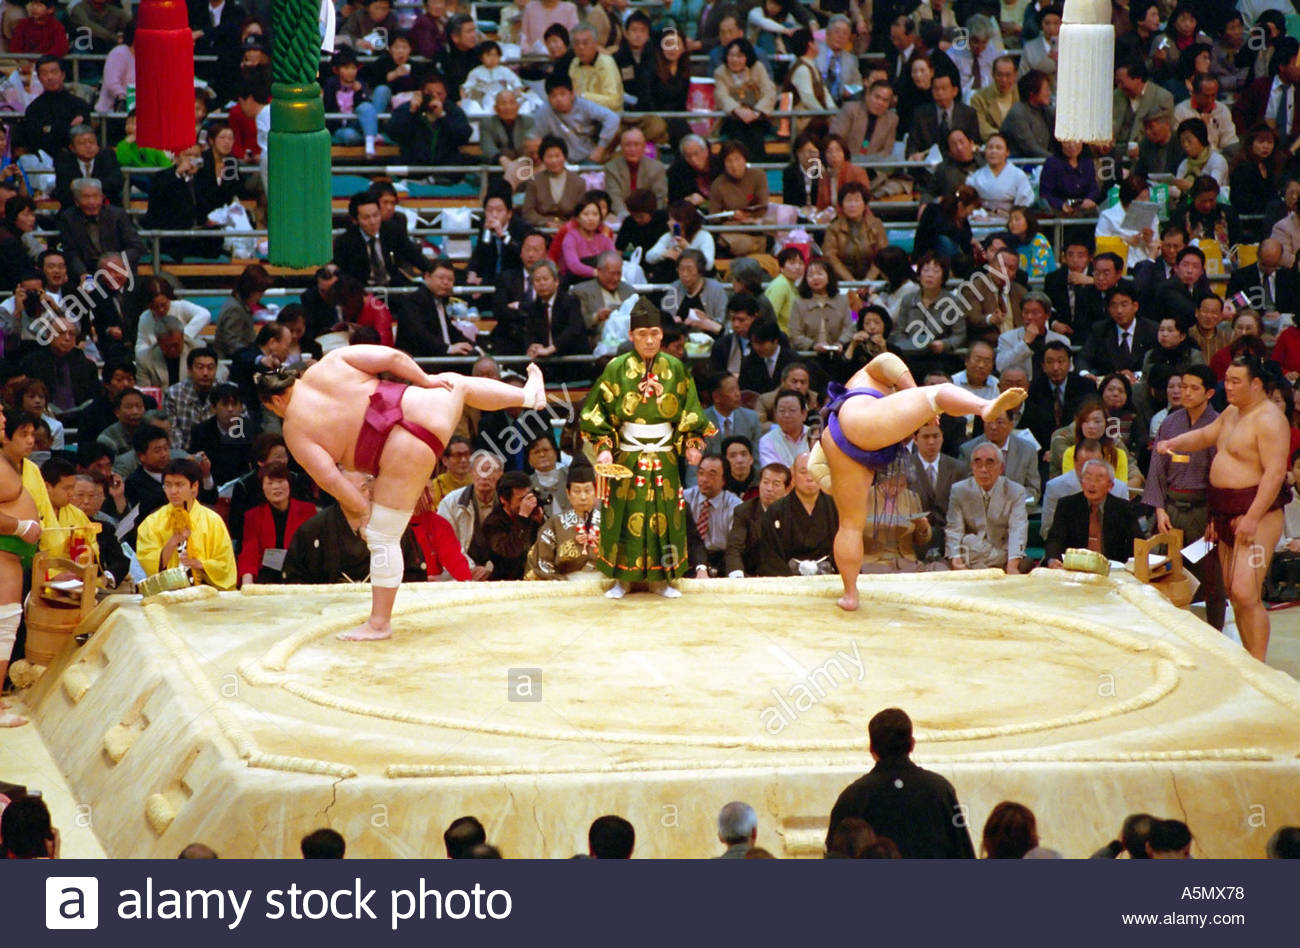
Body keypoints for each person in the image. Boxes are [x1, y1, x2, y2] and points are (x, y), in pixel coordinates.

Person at [258, 346, 548, 640]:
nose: (278, 414)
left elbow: (332, 479)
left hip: (402, 456)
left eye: (273, 410)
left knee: (382, 538)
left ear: (277, 399)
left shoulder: (294, 430)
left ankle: (379, 624)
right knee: (457, 383)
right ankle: (527, 395)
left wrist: (364, 512)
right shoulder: (332, 362)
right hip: (427, 413)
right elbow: (394, 358)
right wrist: (425, 379)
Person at [1157, 355, 1291, 661]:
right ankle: (1249, 658)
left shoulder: (1270, 420)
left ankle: (1258, 665)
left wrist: (1252, 518)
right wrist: (1174, 442)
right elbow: (1206, 436)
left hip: (1257, 513)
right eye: (1226, 380)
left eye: (1235, 381)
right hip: (1224, 510)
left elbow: (1274, 474)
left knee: (1246, 592)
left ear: (1255, 384)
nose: (1227, 386)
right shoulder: (1232, 412)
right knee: (1234, 592)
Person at [579, 298, 714, 598]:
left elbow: (691, 411)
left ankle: (660, 580)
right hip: (627, 454)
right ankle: (622, 580)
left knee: (664, 516)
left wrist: (692, 442)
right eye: (642, 334)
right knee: (624, 514)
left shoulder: (676, 368)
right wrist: (604, 447)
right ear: (631, 336)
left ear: (662, 334)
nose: (650, 340)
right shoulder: (616, 369)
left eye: (654, 333)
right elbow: (596, 413)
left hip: (665, 455)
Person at [825, 707, 975, 859]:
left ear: (871, 748)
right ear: (912, 744)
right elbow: (963, 852)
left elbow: (835, 858)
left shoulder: (853, 797)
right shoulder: (941, 791)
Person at [135, 458, 237, 590]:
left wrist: (200, 564)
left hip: (207, 591)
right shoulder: (152, 522)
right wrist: (172, 543)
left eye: (179, 485)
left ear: (194, 486)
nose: (173, 491)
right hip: (169, 593)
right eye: (168, 485)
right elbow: (147, 560)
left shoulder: (213, 520)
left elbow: (225, 564)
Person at [1044, 459, 1143, 566]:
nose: (1092, 484)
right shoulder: (1066, 505)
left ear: (1110, 486)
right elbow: (1055, 539)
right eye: (1088, 478)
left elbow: (1138, 541)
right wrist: (1053, 559)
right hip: (1074, 567)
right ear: (1082, 482)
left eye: (1098, 480)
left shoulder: (1123, 508)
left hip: (1113, 567)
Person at [756, 452, 837, 576]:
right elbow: (770, 555)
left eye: (815, 471)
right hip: (788, 578)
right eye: (804, 472)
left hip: (829, 575)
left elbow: (846, 547)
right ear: (793, 475)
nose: (810, 478)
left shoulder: (835, 507)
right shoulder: (776, 511)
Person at [237, 462, 314, 586]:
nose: (276, 487)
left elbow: (313, 552)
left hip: (299, 575)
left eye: (280, 481)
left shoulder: (307, 511)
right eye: (270, 483)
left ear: (289, 483)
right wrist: (247, 583)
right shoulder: (253, 516)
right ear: (262, 488)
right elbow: (249, 552)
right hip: (267, 576)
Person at [524, 462, 601, 579]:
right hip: (567, 584)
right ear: (568, 493)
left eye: (588, 490)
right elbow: (541, 563)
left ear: (596, 492)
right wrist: (561, 582)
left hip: (606, 584)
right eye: (577, 491)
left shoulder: (609, 523)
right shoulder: (554, 524)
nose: (583, 497)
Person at [713, 37, 777, 161]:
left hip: (757, 116)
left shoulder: (758, 68)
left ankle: (757, 168)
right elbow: (721, 96)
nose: (734, 60)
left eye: (739, 56)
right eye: (731, 55)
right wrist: (738, 110)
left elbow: (769, 92)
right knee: (737, 131)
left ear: (747, 57)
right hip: (733, 117)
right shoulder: (720, 72)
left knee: (755, 131)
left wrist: (756, 112)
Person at [533, 73, 619, 164]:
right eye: (553, 96)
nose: (558, 99)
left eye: (562, 94)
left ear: (572, 94)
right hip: (561, 161)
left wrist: (600, 148)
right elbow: (538, 139)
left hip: (588, 157)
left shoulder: (584, 105)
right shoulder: (543, 112)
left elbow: (612, 118)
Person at [726, 461, 790, 576]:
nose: (769, 488)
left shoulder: (792, 512)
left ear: (787, 490)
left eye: (776, 484)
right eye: (765, 482)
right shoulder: (744, 511)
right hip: (752, 574)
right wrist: (737, 573)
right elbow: (734, 547)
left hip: (786, 575)